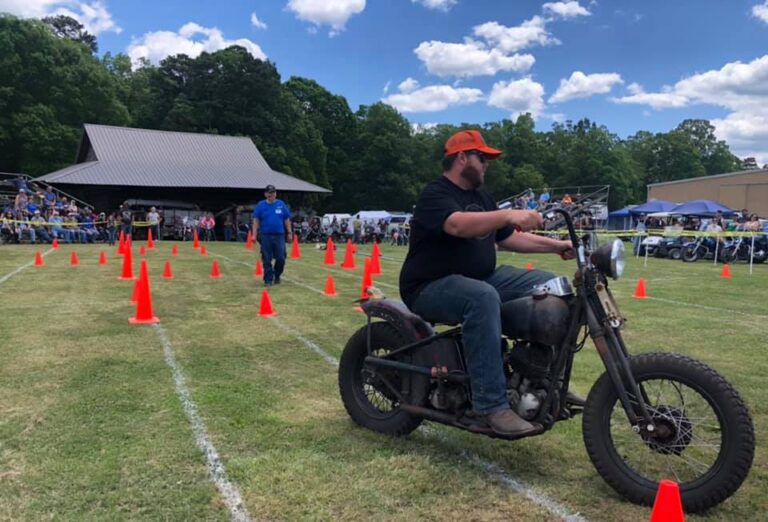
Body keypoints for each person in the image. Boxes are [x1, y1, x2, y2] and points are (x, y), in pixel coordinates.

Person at [399, 129, 574, 437]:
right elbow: (456, 224)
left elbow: (509, 239)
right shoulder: (435, 194)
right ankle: (491, 405)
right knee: (482, 297)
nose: (487, 164)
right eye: (482, 158)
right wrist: (508, 215)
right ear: (461, 158)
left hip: (480, 277)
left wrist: (555, 246)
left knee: (552, 285)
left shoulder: (483, 198)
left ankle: (548, 382)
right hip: (429, 285)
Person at [252, 185, 292, 286]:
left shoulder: (281, 204)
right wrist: (254, 235)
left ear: (275, 193)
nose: (271, 194)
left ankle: (277, 275)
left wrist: (289, 232)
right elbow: (256, 220)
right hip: (266, 235)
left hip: (279, 235)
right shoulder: (261, 205)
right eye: (269, 193)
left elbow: (286, 219)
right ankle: (268, 280)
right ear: (265, 194)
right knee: (266, 258)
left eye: (273, 192)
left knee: (281, 258)